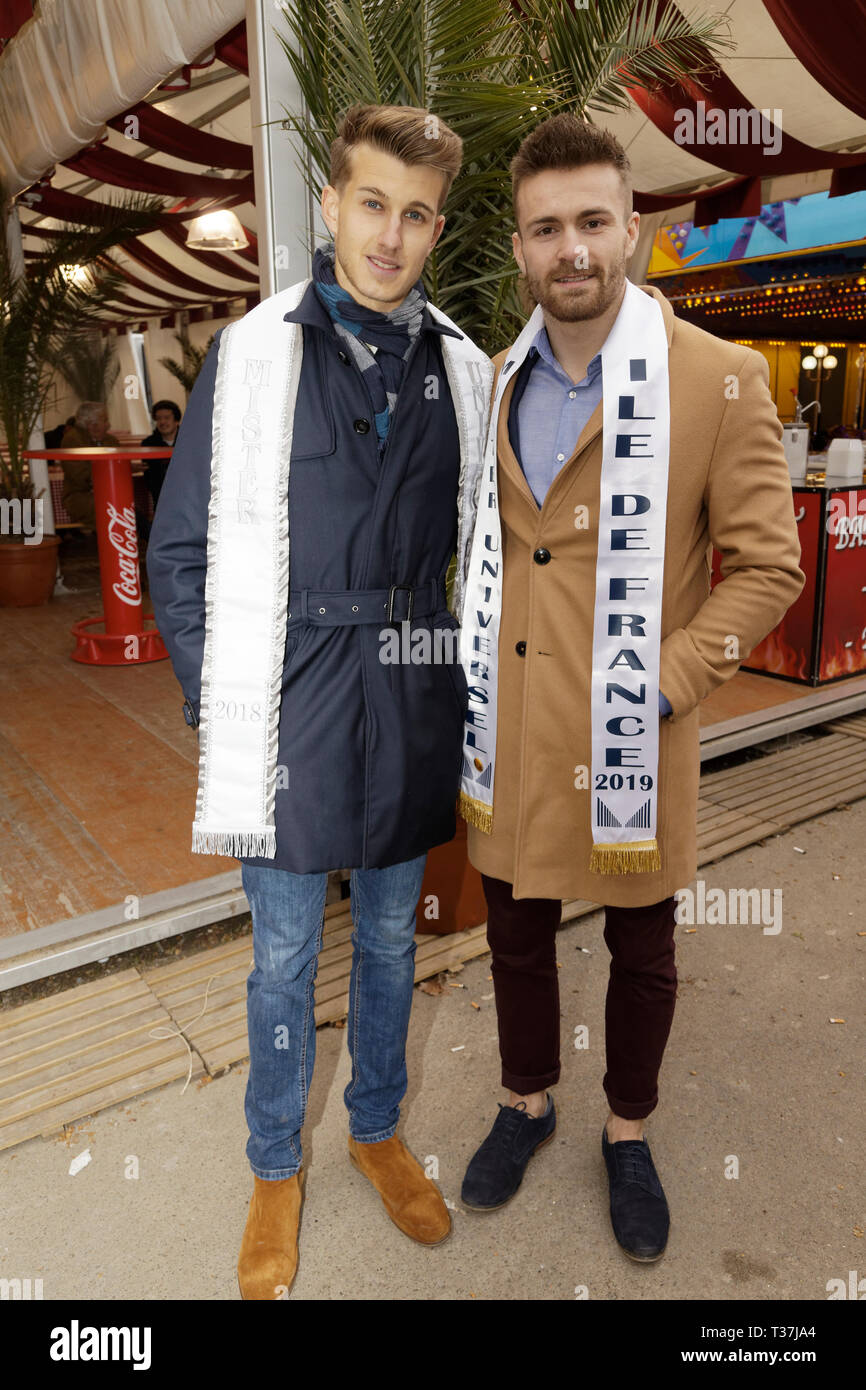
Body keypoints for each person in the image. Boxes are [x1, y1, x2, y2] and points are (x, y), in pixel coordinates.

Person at [146, 103, 492, 1299]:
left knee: (395, 938)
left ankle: (378, 1128)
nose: (389, 235)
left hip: (407, 691)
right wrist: (217, 701)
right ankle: (271, 1164)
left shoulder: (462, 368)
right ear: (330, 205)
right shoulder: (249, 356)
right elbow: (176, 553)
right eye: (370, 204)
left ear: (434, 227)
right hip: (280, 696)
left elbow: (483, 557)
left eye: (414, 214)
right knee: (283, 953)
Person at [457, 114, 805, 1262]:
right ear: (519, 247)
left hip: (625, 730)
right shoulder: (493, 379)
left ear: (633, 233)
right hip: (509, 726)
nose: (571, 249)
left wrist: (665, 678)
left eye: (592, 223)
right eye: (546, 227)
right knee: (513, 934)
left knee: (641, 947)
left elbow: (767, 566)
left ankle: (626, 1125)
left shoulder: (717, 378)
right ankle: (525, 1099)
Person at [59, 402, 119, 529]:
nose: (109, 425)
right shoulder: (72, 440)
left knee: (125, 506)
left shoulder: (111, 441)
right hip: (79, 495)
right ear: (93, 425)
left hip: (110, 492)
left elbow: (119, 464)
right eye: (105, 420)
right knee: (111, 508)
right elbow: (80, 477)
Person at [140, 399, 182, 513]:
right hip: (161, 498)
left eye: (167, 418)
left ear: (176, 420)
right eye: (158, 418)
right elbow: (150, 478)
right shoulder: (148, 444)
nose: (162, 422)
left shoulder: (188, 441)